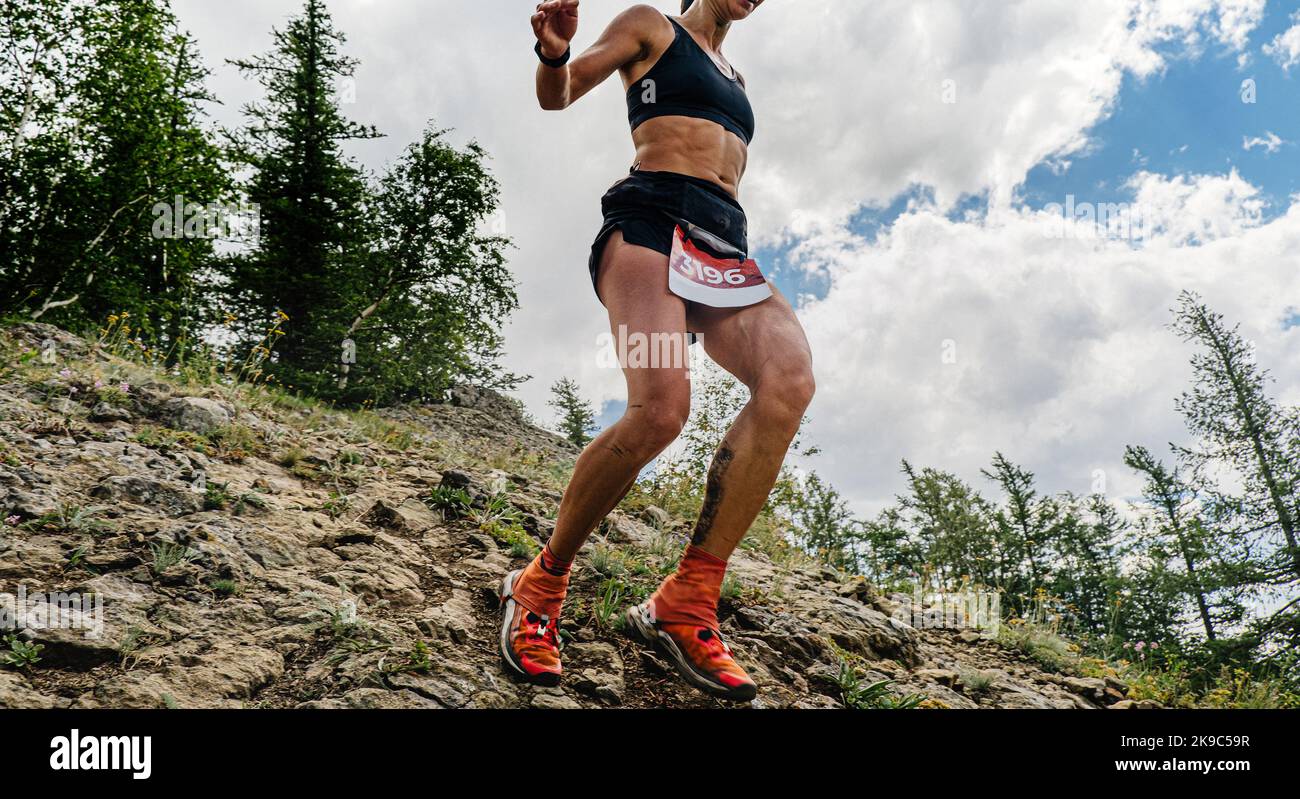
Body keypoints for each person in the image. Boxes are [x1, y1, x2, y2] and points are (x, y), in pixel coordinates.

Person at [500, 0, 814, 702]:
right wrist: (553, 53)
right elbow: (561, 94)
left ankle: (688, 598)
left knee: (788, 381)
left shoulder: (736, 74)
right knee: (662, 411)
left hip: (722, 242)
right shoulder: (651, 25)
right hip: (648, 225)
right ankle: (540, 582)